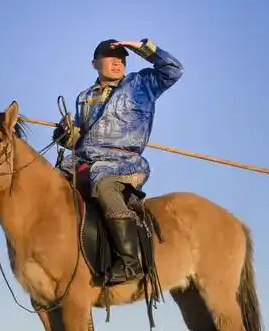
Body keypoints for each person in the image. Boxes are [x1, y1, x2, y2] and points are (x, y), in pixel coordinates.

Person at [53, 38, 184, 285]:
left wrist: (141, 47)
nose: (118, 63)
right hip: (85, 160)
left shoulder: (141, 84)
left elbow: (174, 70)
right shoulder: (84, 97)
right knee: (48, 184)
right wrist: (65, 133)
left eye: (122, 59)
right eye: (111, 58)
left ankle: (129, 262)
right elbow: (79, 140)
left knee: (105, 187)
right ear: (94, 64)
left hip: (124, 161)